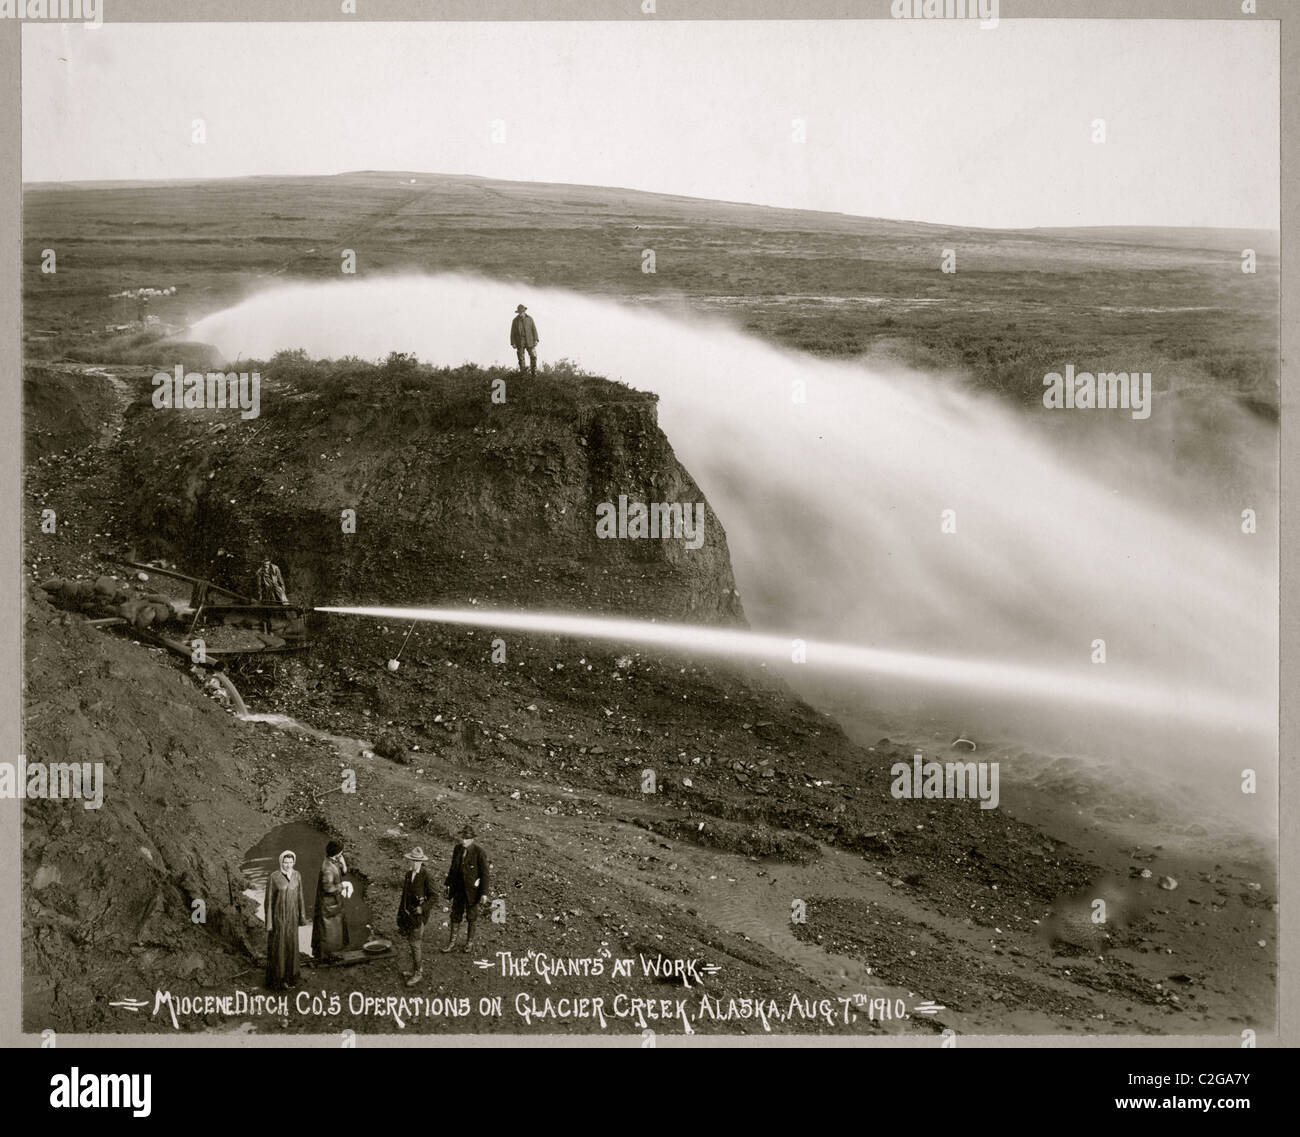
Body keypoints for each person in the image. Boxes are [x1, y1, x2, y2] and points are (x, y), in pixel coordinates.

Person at [264, 850, 308, 990]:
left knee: (292, 946)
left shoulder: (297, 875)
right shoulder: (274, 877)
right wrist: (269, 923)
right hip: (279, 918)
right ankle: (278, 979)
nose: (288, 865)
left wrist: (302, 917)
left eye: (290, 862)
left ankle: (292, 976)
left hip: (292, 918)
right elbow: (269, 901)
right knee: (279, 948)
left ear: (293, 862)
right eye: (285, 862)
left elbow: (300, 897)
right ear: (281, 862)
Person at [442, 825, 489, 954]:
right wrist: (448, 884)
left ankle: (469, 943)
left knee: (471, 917)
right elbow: (453, 868)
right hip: (458, 889)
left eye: (467, 838)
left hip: (472, 892)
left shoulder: (479, 853)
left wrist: (484, 893)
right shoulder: (457, 849)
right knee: (455, 915)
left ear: (472, 839)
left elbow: (485, 874)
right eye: (462, 837)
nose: (464, 840)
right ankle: (451, 942)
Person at [396, 846, 437, 987]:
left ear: (421, 862)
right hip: (408, 915)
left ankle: (418, 973)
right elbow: (405, 897)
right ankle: (415, 969)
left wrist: (422, 908)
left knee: (415, 943)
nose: (413, 864)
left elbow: (434, 897)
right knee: (411, 942)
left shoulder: (426, 876)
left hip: (419, 917)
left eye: (416, 861)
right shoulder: (408, 875)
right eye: (411, 861)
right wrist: (401, 913)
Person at [312, 839, 349, 963]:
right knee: (327, 932)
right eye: (341, 852)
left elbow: (343, 872)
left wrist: (343, 863)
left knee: (333, 932)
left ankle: (331, 954)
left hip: (332, 905)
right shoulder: (327, 868)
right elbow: (328, 888)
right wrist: (342, 886)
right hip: (328, 906)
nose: (342, 854)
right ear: (337, 853)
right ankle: (325, 957)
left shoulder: (332, 862)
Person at [509, 304, 539, 378]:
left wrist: (536, 339)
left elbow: (534, 329)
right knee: (521, 359)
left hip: (530, 341)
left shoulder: (530, 319)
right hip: (520, 341)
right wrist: (513, 343)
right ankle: (523, 374)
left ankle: (534, 374)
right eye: (519, 312)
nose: (521, 313)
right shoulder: (515, 321)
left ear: (524, 311)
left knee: (533, 356)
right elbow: (512, 332)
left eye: (522, 312)